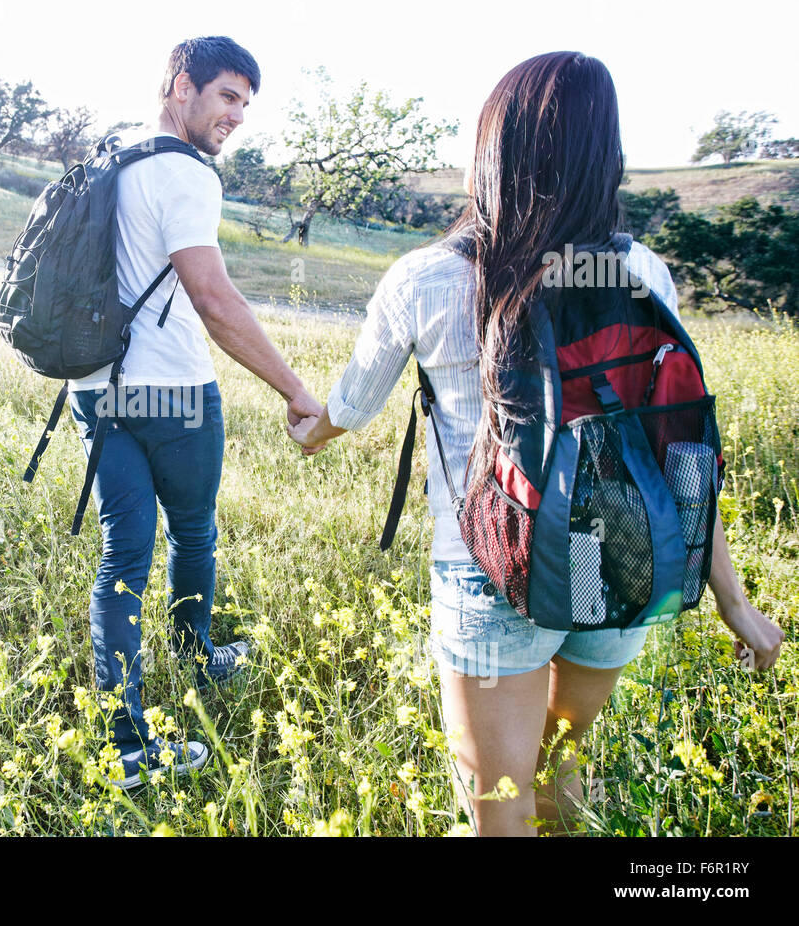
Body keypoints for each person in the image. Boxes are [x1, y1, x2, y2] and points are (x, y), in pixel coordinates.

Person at [287, 51, 784, 835]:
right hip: (624, 555)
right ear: (603, 156)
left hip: (494, 563)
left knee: (497, 802)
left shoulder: (424, 279)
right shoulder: (641, 272)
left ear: (492, 150)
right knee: (565, 759)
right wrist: (734, 600)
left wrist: (306, 423)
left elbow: (346, 408)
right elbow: (674, 452)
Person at [66, 36, 324, 790]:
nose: (237, 115)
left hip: (95, 387)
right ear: (183, 86)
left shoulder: (113, 155)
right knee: (194, 532)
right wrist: (295, 390)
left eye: (246, 101)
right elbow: (213, 298)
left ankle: (127, 748)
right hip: (172, 392)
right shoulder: (184, 174)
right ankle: (194, 653)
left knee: (123, 556)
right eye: (227, 96)